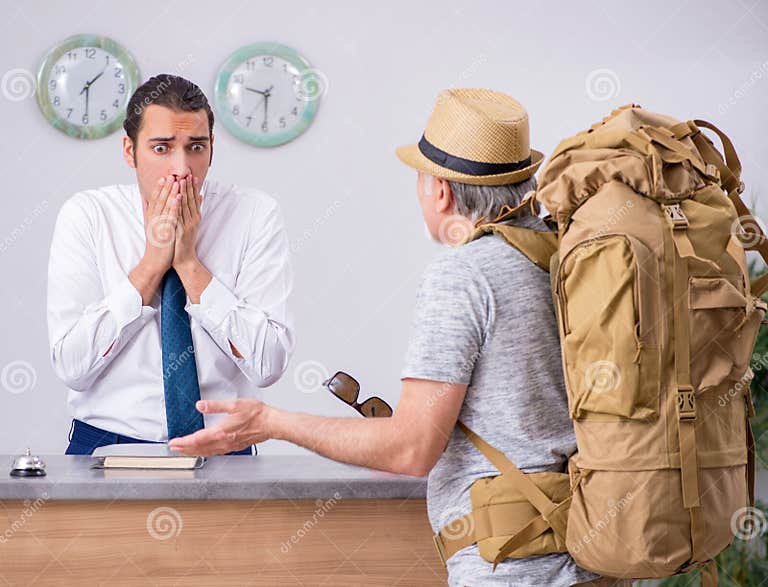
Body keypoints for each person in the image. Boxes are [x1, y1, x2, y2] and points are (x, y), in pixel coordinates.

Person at [169, 89, 630, 585]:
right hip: (594, 555)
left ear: (440, 192)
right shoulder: (567, 258)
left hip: (514, 567)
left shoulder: (464, 274)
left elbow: (410, 450)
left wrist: (271, 421)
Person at [47, 74, 294, 456]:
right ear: (129, 152)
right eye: (162, 148)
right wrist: (151, 264)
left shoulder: (254, 215)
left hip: (223, 445)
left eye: (195, 147)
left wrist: (189, 263)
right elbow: (73, 368)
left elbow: (267, 366)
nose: (182, 168)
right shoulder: (88, 216)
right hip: (105, 444)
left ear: (212, 148)